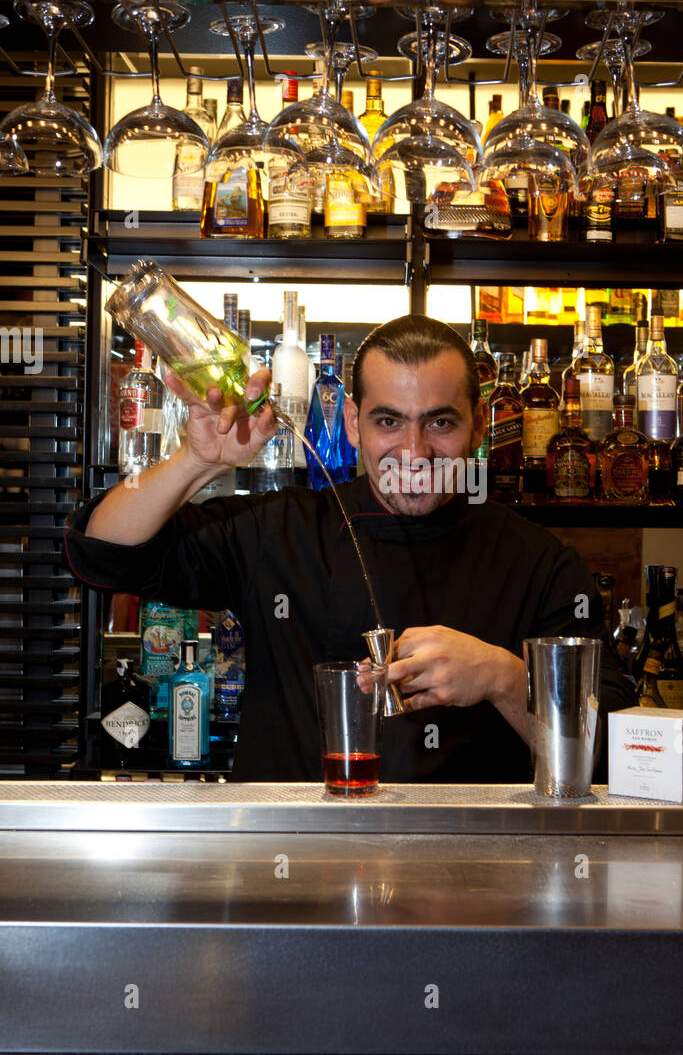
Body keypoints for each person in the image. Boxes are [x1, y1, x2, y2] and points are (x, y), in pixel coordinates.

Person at [65, 315, 634, 781]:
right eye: (389, 421)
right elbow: (100, 551)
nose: (414, 451)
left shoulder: (540, 562)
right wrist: (198, 462)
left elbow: (607, 752)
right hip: (293, 875)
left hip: (472, 877)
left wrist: (505, 678)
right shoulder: (280, 528)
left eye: (440, 423)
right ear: (354, 424)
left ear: (479, 427)